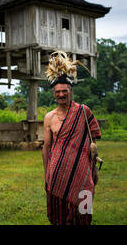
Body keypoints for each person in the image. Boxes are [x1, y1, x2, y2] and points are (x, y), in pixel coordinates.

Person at [42, 51, 101, 225]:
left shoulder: (83, 111)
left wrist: (94, 169)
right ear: (54, 93)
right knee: (60, 218)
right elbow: (46, 148)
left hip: (83, 172)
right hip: (57, 174)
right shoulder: (49, 117)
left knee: (84, 214)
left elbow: (93, 143)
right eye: (58, 92)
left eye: (64, 91)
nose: (61, 95)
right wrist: (47, 173)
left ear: (71, 90)